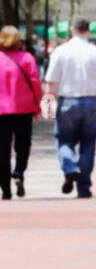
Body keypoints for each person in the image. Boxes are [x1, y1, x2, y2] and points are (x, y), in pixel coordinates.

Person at [44, 18, 96, 198]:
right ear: (88, 31)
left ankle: (70, 167)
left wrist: (48, 110)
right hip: (93, 102)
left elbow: (51, 84)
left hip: (68, 102)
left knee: (63, 139)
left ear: (73, 30)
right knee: (88, 144)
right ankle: (84, 187)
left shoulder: (60, 52)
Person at [0, 26, 43, 200]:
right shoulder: (27, 58)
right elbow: (37, 85)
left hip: (1, 111)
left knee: (2, 150)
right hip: (24, 109)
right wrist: (40, 109)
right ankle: (19, 172)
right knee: (23, 145)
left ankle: (5, 189)